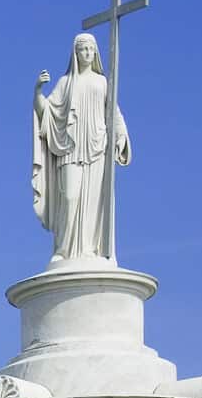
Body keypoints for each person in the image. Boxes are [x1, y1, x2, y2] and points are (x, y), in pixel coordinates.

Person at [32, 32, 131, 267]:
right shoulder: (66, 83)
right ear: (75, 54)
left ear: (95, 53)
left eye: (90, 50)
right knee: (70, 196)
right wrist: (37, 92)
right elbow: (46, 112)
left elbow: (113, 112)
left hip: (97, 146)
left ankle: (91, 248)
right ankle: (64, 249)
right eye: (82, 50)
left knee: (94, 201)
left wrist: (121, 135)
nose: (87, 53)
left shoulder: (102, 82)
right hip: (70, 147)